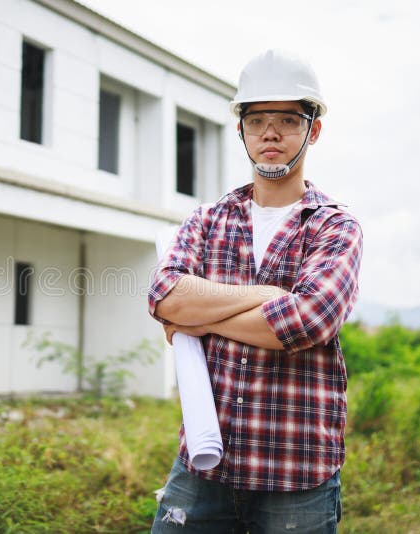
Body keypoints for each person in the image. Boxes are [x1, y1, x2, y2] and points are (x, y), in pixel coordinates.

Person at [148, 49, 363, 533]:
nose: (270, 132)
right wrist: (267, 294)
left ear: (314, 130)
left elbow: (308, 320)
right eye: (257, 119)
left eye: (287, 119)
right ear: (241, 129)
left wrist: (198, 317)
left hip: (296, 471)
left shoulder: (334, 227)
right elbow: (165, 297)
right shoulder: (206, 220)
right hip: (205, 465)